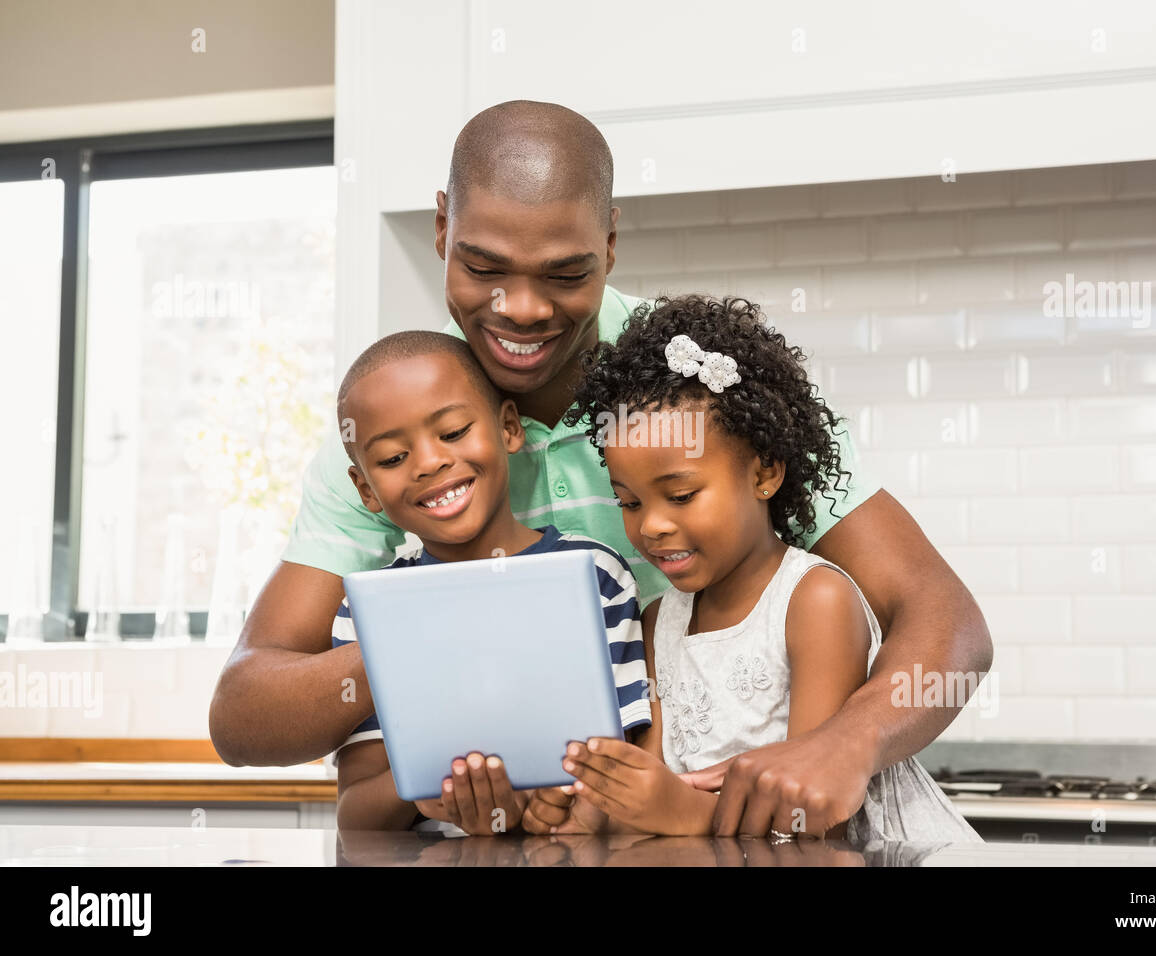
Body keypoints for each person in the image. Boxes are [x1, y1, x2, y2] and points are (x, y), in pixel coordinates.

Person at [209, 100, 993, 839]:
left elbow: (948, 622)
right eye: (484, 267)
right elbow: (243, 714)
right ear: (442, 227)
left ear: (610, 244)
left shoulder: (700, 392)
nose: (521, 308)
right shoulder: (403, 439)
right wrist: (449, 643)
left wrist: (847, 744)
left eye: (564, 274)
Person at [548, 295, 981, 842]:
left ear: (766, 473)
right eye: (629, 503)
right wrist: (590, 805)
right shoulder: (660, 621)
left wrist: (683, 813)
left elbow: (814, 818)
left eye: (680, 495)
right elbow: (656, 792)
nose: (651, 526)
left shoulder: (813, 601)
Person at [328, 329, 650, 833]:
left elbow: (630, 777)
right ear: (366, 488)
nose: (430, 462)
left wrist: (546, 813)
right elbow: (355, 817)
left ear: (508, 428)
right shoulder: (366, 612)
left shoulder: (596, 577)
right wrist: (424, 788)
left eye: (453, 432)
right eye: (392, 458)